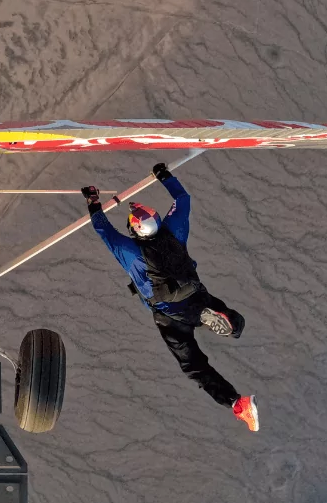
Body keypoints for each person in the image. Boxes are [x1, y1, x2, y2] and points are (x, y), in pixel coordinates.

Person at [82, 163, 260, 432]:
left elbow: (104, 229)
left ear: (134, 231)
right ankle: (229, 324)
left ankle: (237, 402)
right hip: (196, 294)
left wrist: (94, 202)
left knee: (194, 366)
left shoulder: (131, 252)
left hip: (169, 316)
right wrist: (163, 175)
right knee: (236, 324)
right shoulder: (174, 230)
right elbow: (183, 199)